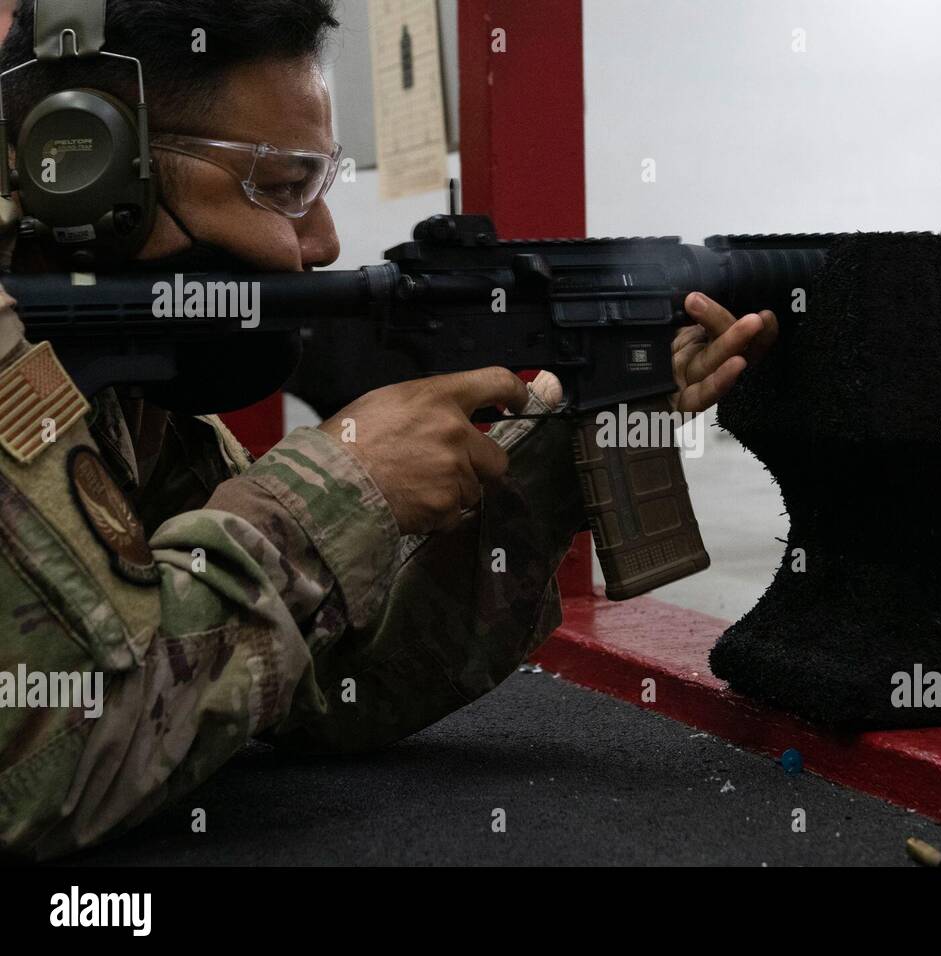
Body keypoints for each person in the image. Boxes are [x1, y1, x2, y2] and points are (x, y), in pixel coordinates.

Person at [0, 0, 777, 860]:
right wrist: (333, 492)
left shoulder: (113, 383)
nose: (327, 241)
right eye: (283, 186)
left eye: (321, 185)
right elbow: (51, 772)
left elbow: (313, 686)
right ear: (92, 167)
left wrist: (563, 438)